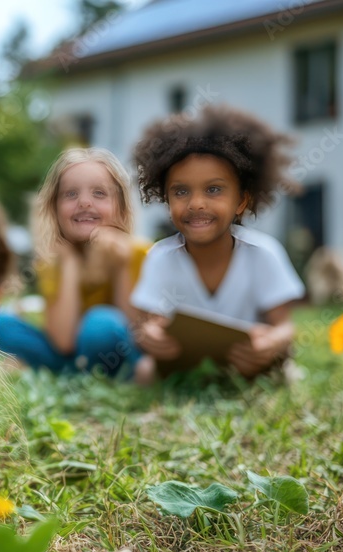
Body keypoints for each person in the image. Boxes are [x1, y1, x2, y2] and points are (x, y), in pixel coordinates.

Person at [130, 105, 304, 382]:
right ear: (166, 199)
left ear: (242, 200)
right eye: (181, 191)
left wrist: (271, 343)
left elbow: (285, 328)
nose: (196, 203)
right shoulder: (160, 257)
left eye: (214, 189)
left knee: (286, 376)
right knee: (144, 372)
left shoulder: (263, 254)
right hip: (184, 370)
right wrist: (149, 336)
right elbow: (145, 324)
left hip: (248, 368)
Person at [0, 148, 149, 378]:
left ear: (121, 207)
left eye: (99, 193)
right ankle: (75, 374)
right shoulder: (53, 262)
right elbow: (62, 343)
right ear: (54, 210)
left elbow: (135, 333)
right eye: (70, 194)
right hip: (70, 354)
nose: (84, 202)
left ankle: (75, 374)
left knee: (101, 324)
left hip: (117, 351)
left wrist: (121, 263)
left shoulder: (139, 252)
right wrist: (70, 263)